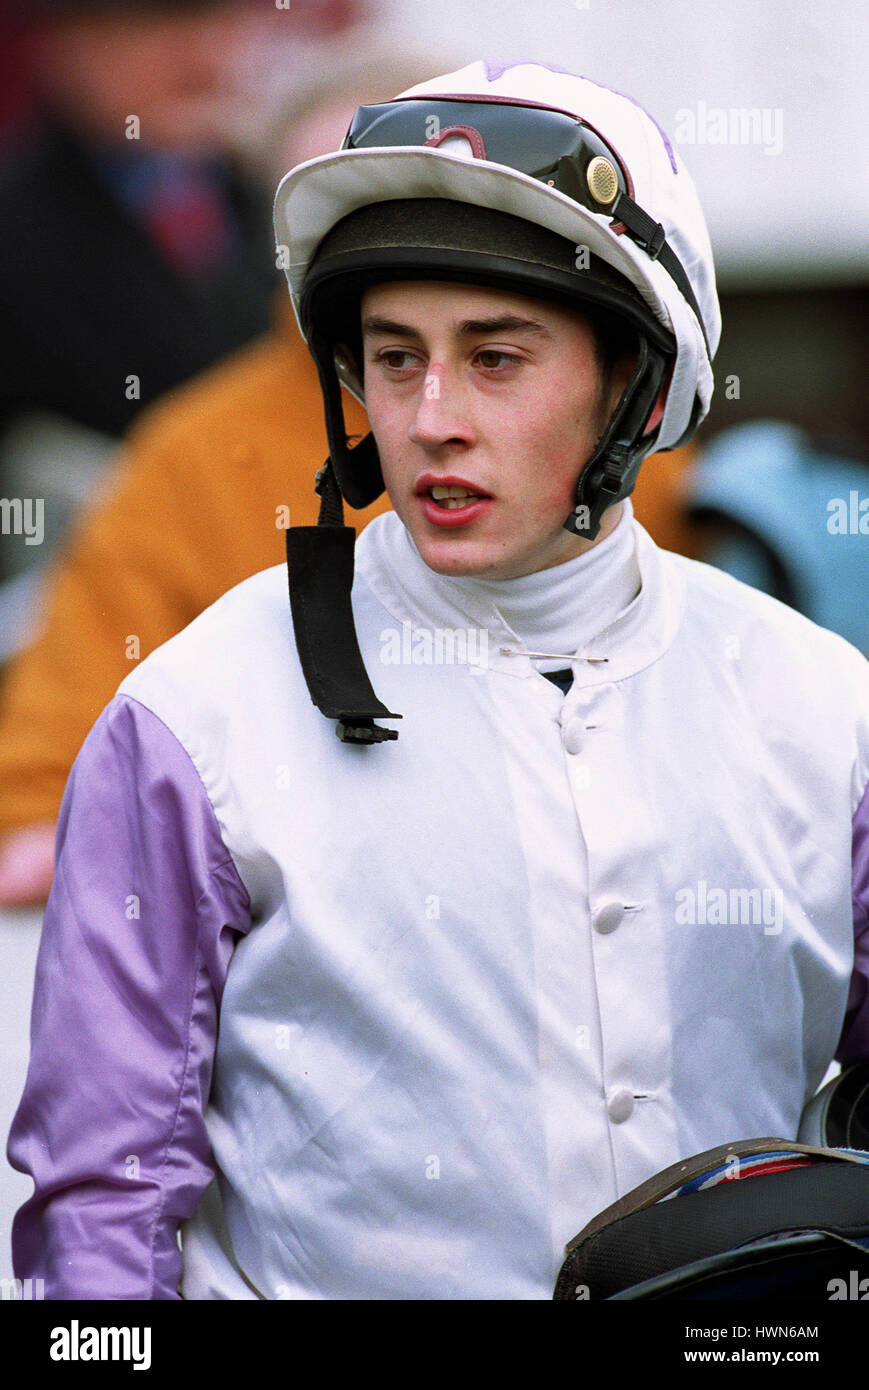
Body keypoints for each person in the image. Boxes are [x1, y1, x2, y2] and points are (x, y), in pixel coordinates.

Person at [7, 59, 868, 1300]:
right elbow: (101, 1206)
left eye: (496, 358)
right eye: (393, 357)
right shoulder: (188, 721)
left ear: (632, 376)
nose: (430, 418)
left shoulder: (823, 706)